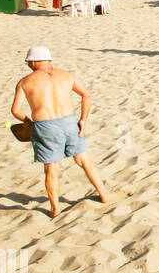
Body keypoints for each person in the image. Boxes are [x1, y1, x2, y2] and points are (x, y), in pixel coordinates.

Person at [10, 46, 116, 218]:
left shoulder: (25, 82)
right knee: (83, 160)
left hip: (45, 125)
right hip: (69, 121)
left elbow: (15, 110)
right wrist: (83, 119)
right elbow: (86, 96)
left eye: (29, 62)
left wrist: (27, 121)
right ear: (49, 60)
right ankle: (104, 194)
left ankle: (55, 209)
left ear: (34, 62)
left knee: (51, 168)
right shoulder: (67, 76)